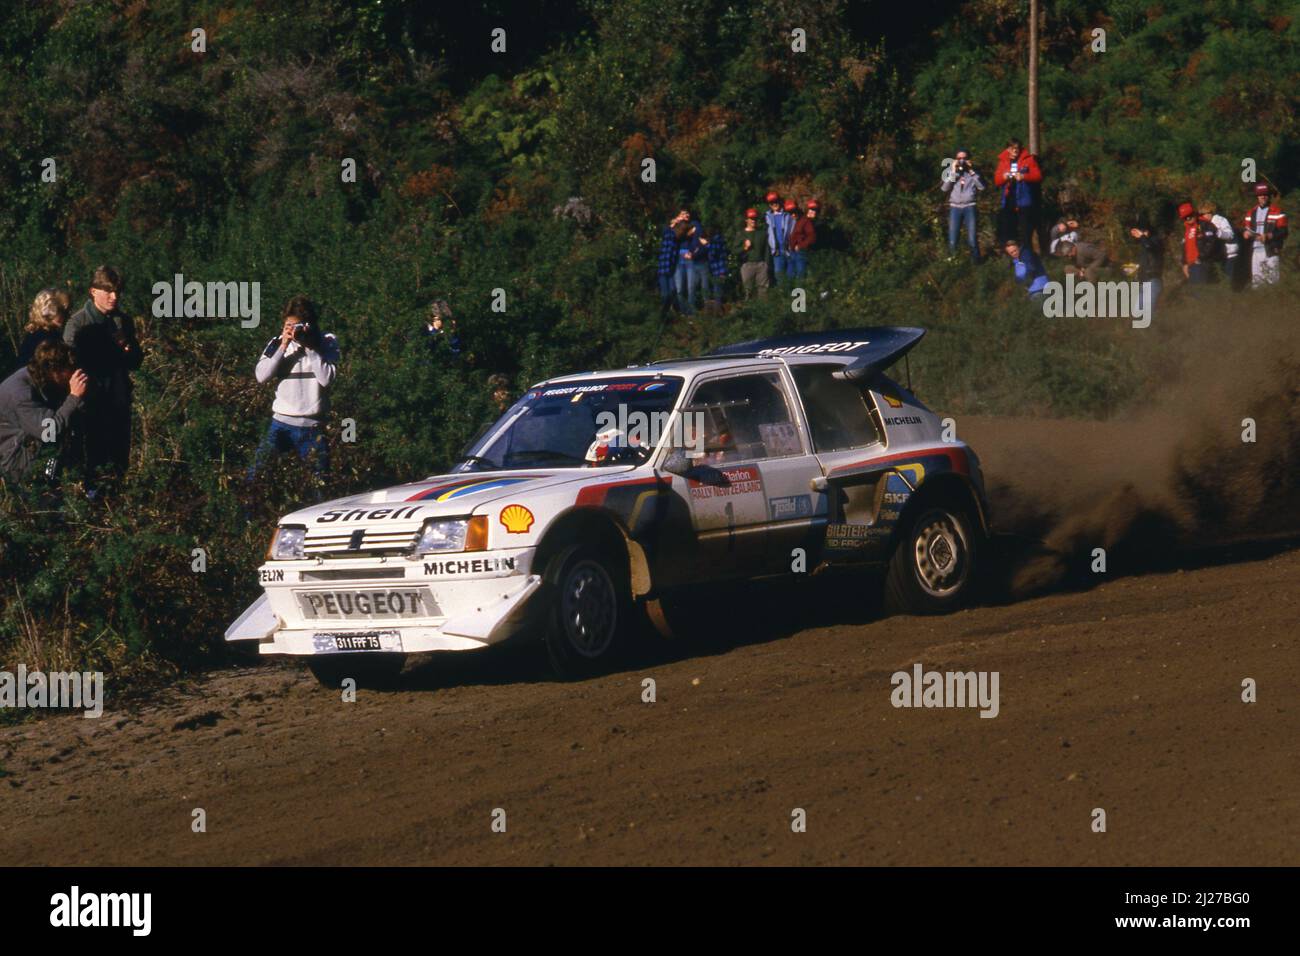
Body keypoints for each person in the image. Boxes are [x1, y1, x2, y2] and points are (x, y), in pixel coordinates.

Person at [62, 266, 142, 483]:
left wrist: (128, 347)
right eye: (108, 291)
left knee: (119, 461)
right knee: (93, 461)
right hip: (91, 404)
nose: (114, 297)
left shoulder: (123, 321)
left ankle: (115, 505)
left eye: (117, 291)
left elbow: (135, 362)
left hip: (118, 401)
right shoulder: (77, 323)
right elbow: (67, 367)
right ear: (93, 291)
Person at [248, 296, 338, 481]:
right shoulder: (277, 342)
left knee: (320, 484)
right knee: (255, 478)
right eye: (289, 325)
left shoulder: (327, 341)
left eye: (297, 326)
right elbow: (261, 376)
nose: (293, 331)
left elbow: (327, 379)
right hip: (280, 424)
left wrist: (311, 348)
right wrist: (283, 347)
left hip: (313, 427)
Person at [0, 340, 87, 485]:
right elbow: (49, 432)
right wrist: (74, 397)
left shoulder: (38, 378)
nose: (73, 374)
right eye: (69, 369)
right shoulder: (21, 393)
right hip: (13, 461)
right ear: (55, 370)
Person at [993, 139, 1043, 252]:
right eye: (1012, 148)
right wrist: (1004, 177)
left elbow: (1038, 176)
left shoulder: (1028, 159)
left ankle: (1028, 257)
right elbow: (997, 180)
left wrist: (1024, 177)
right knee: (1009, 232)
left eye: (1017, 148)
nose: (1015, 150)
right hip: (1009, 201)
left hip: (1024, 201)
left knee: (1026, 233)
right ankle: (1011, 257)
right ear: (1008, 149)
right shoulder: (1003, 161)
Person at [941, 149, 984, 262]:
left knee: (972, 238)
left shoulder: (973, 172)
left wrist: (971, 171)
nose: (962, 161)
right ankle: (953, 261)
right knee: (953, 239)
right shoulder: (952, 171)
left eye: (964, 158)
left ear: (968, 159)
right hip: (955, 207)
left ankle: (976, 262)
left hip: (970, 206)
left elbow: (981, 187)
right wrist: (954, 171)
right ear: (955, 159)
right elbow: (944, 188)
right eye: (959, 158)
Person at [1241, 184, 1287, 287]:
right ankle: (1259, 303)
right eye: (1260, 195)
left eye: (1265, 194)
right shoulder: (1250, 212)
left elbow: (1283, 231)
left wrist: (1269, 236)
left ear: (1269, 196)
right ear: (1257, 197)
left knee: (1272, 282)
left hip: (1271, 250)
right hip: (1256, 250)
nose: (1263, 197)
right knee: (1257, 283)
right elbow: (1247, 229)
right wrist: (1246, 233)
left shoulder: (1277, 211)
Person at [17, 288, 71, 367]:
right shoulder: (39, 339)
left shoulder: (53, 333)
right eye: (62, 312)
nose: (67, 316)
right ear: (49, 312)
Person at [1199, 202, 1240, 290]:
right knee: (1219, 280)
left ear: (1210, 213)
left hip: (1230, 254)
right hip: (1219, 256)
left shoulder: (1220, 220)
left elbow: (1230, 235)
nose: (1202, 216)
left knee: (1228, 280)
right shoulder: (1205, 224)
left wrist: (1217, 232)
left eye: (1203, 214)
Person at [1128, 219, 1164, 313]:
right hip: (1143, 282)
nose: (1139, 234)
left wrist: (1142, 236)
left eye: (1142, 231)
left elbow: (1149, 246)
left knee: (1148, 313)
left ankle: (1156, 327)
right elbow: (1142, 263)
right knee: (1137, 313)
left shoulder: (1155, 241)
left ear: (1147, 231)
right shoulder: (1143, 247)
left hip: (1152, 281)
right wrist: (1133, 268)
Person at [1178, 201, 1218, 285]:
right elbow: (1185, 247)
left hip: (1201, 263)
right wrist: (1184, 263)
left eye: (1190, 215)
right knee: (1194, 294)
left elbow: (1211, 243)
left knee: (1200, 293)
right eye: (1185, 217)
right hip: (1191, 265)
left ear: (1194, 213)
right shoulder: (1187, 229)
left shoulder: (1204, 224)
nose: (1188, 219)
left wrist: (1200, 258)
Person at [674, 213, 705, 315]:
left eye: (687, 213)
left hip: (689, 257)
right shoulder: (675, 225)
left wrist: (693, 252)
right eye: (683, 213)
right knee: (679, 289)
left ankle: (691, 313)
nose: (686, 215)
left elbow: (699, 238)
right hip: (678, 258)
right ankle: (684, 311)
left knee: (691, 287)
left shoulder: (695, 224)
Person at [736, 208, 771, 298]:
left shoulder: (762, 233)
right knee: (748, 291)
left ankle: (763, 310)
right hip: (747, 265)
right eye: (751, 218)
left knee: (763, 292)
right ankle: (749, 310)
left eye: (755, 218)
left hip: (761, 265)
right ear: (746, 220)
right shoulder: (741, 234)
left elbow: (767, 249)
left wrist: (766, 264)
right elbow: (735, 250)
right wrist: (745, 248)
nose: (753, 221)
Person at [657, 211, 686, 312]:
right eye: (681, 230)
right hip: (663, 270)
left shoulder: (677, 241)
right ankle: (663, 315)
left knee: (673, 291)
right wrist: (673, 222)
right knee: (666, 295)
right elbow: (665, 228)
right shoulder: (668, 234)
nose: (681, 233)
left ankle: (677, 312)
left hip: (670, 271)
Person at [764, 191, 794, 282]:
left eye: (776, 201)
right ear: (769, 205)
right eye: (772, 203)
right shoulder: (767, 217)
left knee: (791, 275)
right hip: (776, 252)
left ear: (780, 202)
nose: (775, 204)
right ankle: (782, 294)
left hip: (789, 249)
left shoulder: (787, 215)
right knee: (779, 274)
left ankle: (791, 294)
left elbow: (793, 229)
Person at [788, 200, 817, 277]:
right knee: (791, 275)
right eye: (791, 213)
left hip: (800, 253)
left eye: (795, 212)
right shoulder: (800, 221)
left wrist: (801, 246)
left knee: (800, 276)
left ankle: (799, 288)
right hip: (793, 253)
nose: (793, 215)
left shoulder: (806, 221)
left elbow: (812, 237)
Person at [705, 224, 728, 309]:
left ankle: (717, 311)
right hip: (718, 270)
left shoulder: (716, 240)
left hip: (719, 270)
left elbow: (713, 253)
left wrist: (706, 245)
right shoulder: (718, 240)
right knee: (717, 291)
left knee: (717, 292)